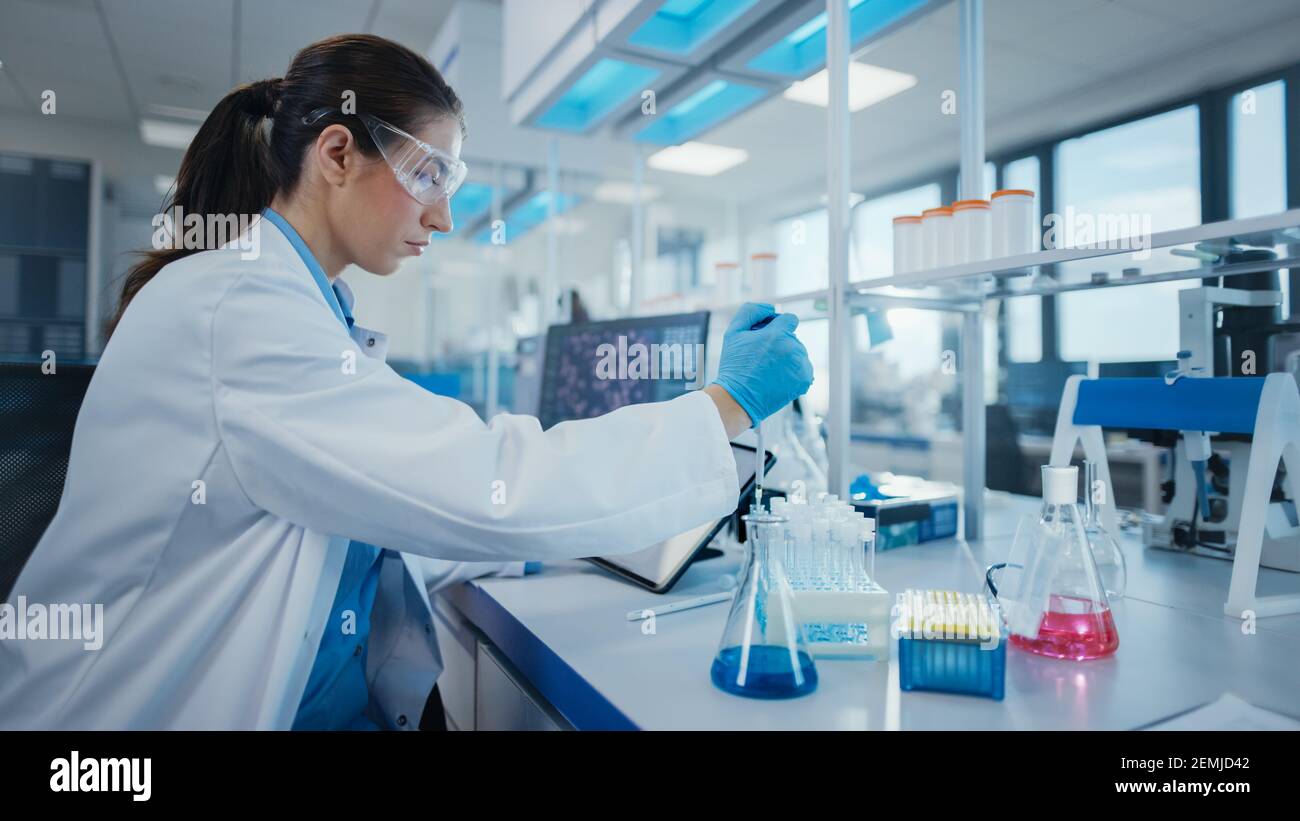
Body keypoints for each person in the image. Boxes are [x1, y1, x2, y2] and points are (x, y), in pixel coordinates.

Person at [0, 34, 812, 730]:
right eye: (430, 177)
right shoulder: (238, 304)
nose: (444, 216)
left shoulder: (304, 311)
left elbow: (374, 510)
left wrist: (535, 547)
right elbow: (485, 481)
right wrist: (724, 405)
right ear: (339, 154)